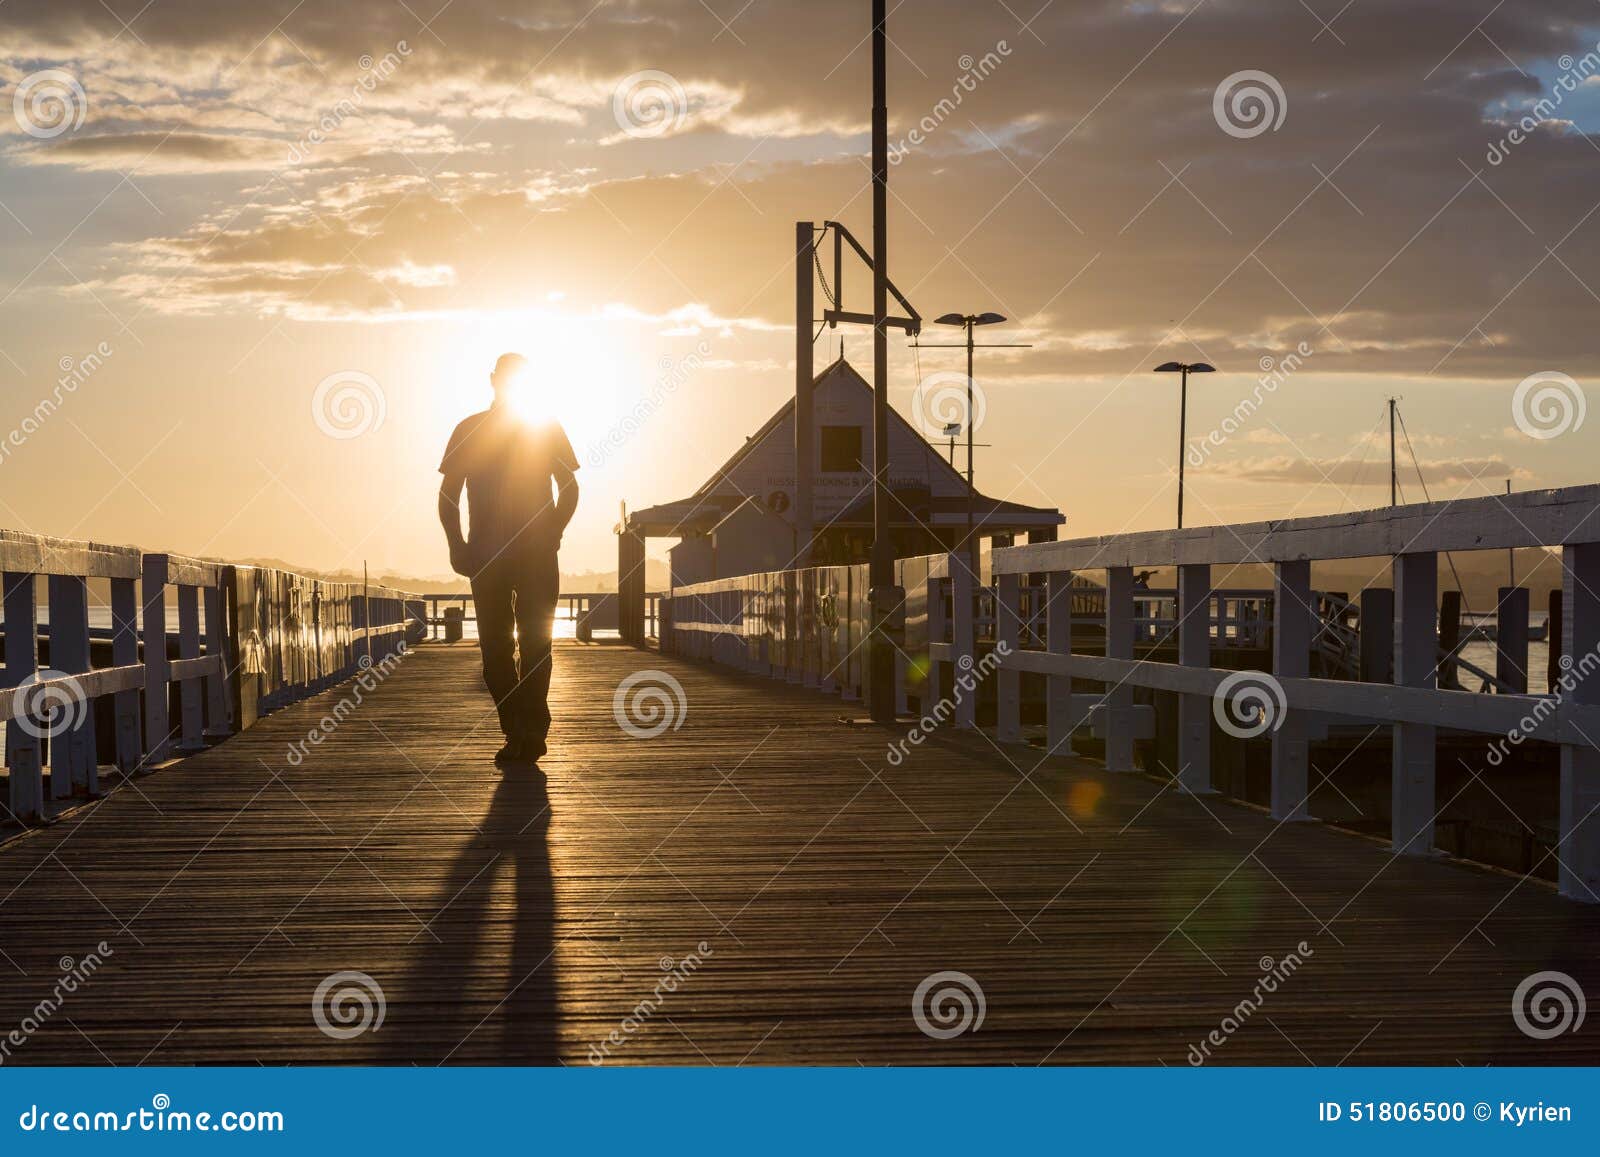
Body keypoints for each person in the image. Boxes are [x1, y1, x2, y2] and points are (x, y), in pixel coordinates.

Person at [439, 353, 579, 766]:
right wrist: (456, 544)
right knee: (496, 652)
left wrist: (554, 529)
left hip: (537, 552)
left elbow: (569, 486)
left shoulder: (546, 427)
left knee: (538, 645)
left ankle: (529, 732)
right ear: (493, 380)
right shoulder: (468, 429)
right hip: (485, 555)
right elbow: (448, 494)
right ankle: (519, 728)